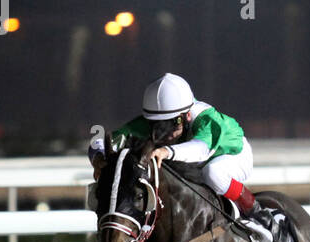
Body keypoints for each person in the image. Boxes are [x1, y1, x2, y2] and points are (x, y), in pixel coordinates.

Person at [91, 72, 270, 227]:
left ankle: (257, 212)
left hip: (231, 155)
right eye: (158, 125)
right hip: (193, 164)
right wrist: (98, 157)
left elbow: (200, 149)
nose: (166, 132)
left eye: (172, 123)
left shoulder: (205, 118)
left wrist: (166, 151)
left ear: (187, 115)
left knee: (213, 173)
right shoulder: (154, 119)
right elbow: (99, 139)